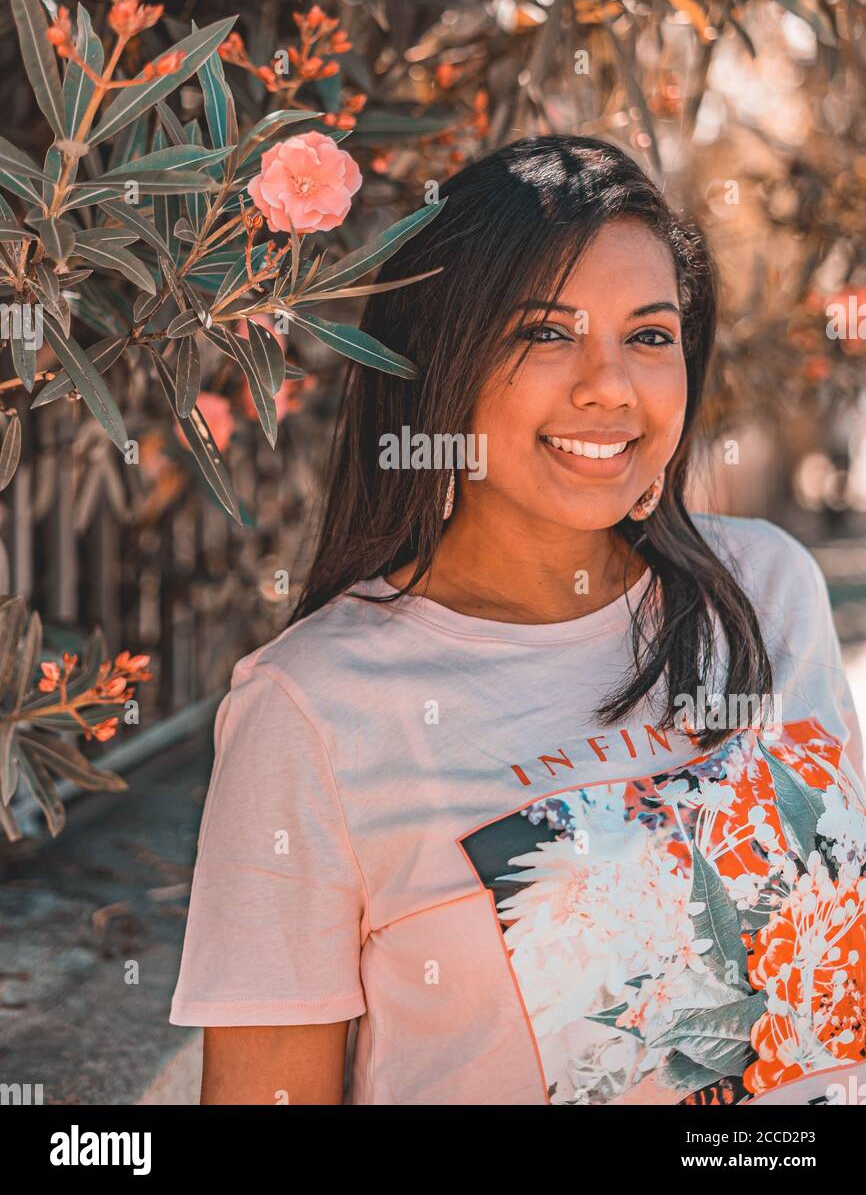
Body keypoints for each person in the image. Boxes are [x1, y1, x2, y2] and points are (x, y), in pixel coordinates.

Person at [169, 135, 866, 1106]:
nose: (608, 385)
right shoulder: (315, 709)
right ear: (441, 363)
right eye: (545, 332)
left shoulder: (763, 590)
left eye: (649, 334)